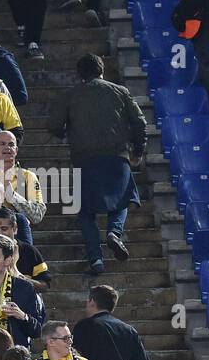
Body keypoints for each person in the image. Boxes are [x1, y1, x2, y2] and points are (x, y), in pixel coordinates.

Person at [47, 55, 146, 276]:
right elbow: (140, 122)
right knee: (122, 200)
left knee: (85, 212)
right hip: (117, 156)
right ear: (102, 70)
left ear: (79, 74)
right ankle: (114, 232)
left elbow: (53, 124)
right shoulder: (120, 91)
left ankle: (96, 259)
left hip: (84, 159)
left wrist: (65, 133)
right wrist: (137, 151)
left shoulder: (70, 95)